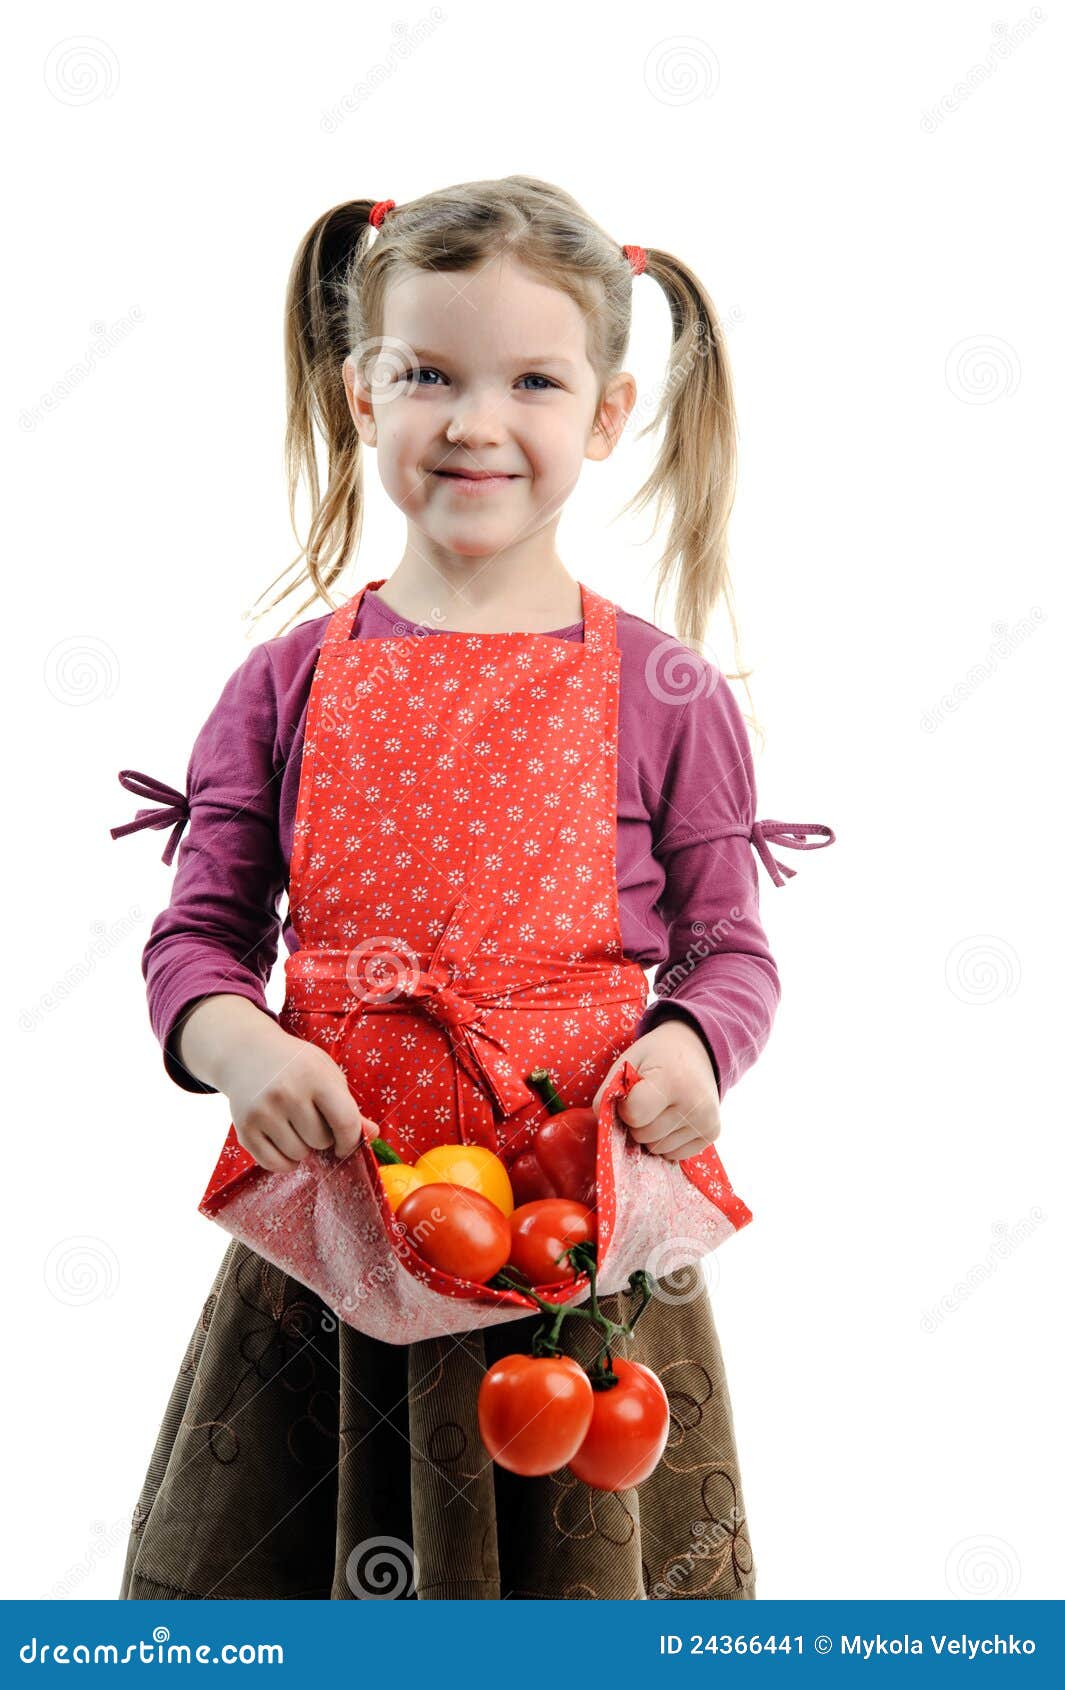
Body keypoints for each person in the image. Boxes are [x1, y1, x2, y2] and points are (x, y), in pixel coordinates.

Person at [110, 176, 835, 1602]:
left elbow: (728, 948)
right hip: (336, 1235)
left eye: (533, 381)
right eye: (428, 372)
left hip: (579, 1259)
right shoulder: (285, 681)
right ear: (362, 392)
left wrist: (696, 1042)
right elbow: (194, 937)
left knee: (579, 1597)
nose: (474, 420)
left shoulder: (662, 686)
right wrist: (237, 1038)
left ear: (609, 413)